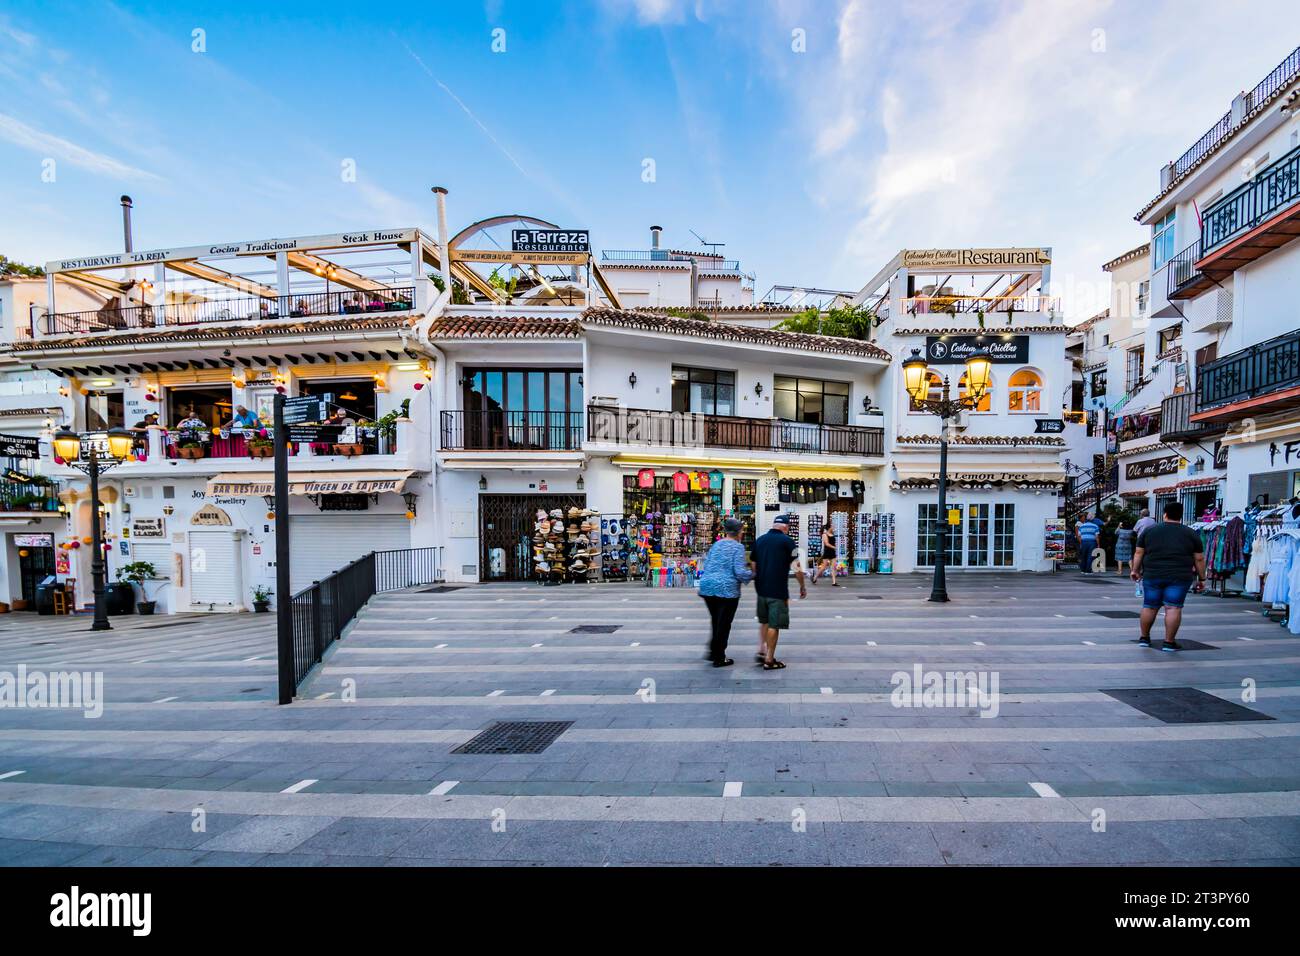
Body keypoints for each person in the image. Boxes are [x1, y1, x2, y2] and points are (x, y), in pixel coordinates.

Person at [1130, 500, 1206, 652]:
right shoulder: (1191, 533)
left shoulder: (1150, 531)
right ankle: (1169, 642)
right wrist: (1202, 578)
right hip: (1180, 576)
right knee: (1173, 608)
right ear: (1181, 515)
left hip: (1153, 574)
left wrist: (1135, 570)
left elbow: (1139, 552)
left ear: (1165, 514)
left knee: (1149, 606)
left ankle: (1144, 638)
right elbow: (1199, 558)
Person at [696, 517, 754, 668]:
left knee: (716, 620)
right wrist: (754, 573)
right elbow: (739, 572)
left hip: (707, 587)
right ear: (737, 532)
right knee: (724, 623)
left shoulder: (716, 544)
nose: (742, 532)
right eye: (741, 530)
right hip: (726, 590)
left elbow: (708, 564)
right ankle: (719, 657)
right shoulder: (737, 547)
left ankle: (713, 651)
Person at [751, 515, 806, 670]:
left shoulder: (759, 540)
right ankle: (769, 659)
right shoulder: (789, 542)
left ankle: (761, 650)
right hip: (778, 591)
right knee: (774, 625)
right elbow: (796, 567)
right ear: (786, 527)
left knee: (764, 621)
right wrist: (802, 586)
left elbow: (753, 564)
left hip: (761, 590)